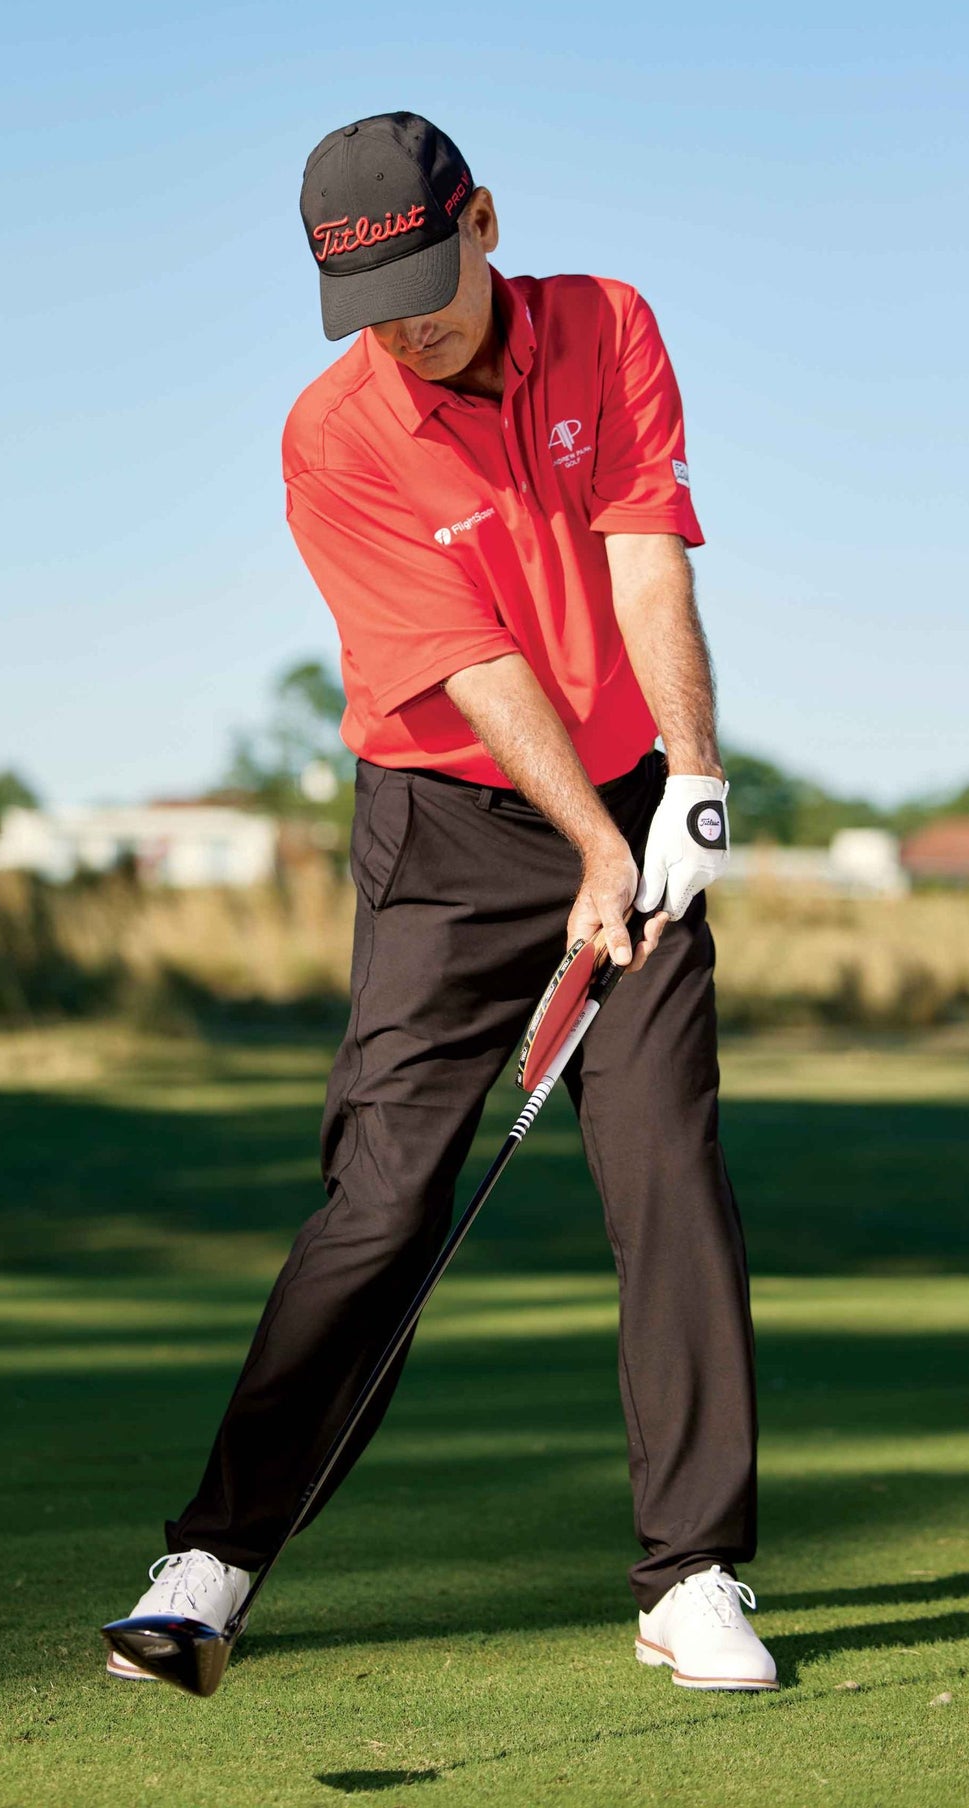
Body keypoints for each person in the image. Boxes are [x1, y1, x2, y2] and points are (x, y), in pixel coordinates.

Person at [105, 112, 775, 1692]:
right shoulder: (334, 435)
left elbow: (647, 559)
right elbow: (471, 665)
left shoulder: (607, 325)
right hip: (445, 828)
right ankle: (216, 1558)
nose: (404, 329)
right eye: (368, 305)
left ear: (481, 222)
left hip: (629, 792)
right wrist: (593, 849)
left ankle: (692, 1576)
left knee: (667, 1168)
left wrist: (687, 780)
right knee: (385, 1197)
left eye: (422, 284)